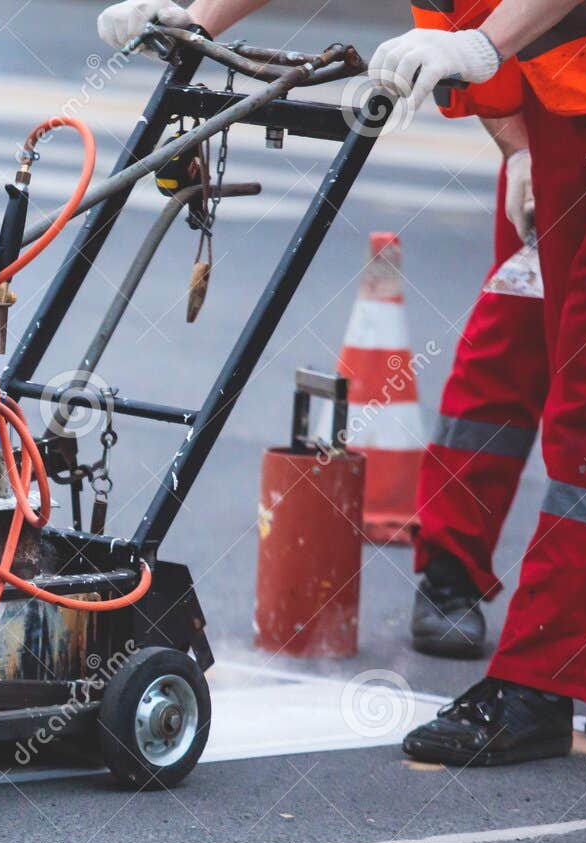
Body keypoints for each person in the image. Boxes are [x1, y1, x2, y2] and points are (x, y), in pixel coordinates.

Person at [100, 0, 586, 761]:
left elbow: (485, 39)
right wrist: (194, 18)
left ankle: (538, 683)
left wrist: (484, 44)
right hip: (572, 97)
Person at [101, 1, 548, 662]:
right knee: (509, 349)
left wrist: (486, 64)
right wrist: (195, 22)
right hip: (550, 111)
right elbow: (471, 44)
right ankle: (455, 572)